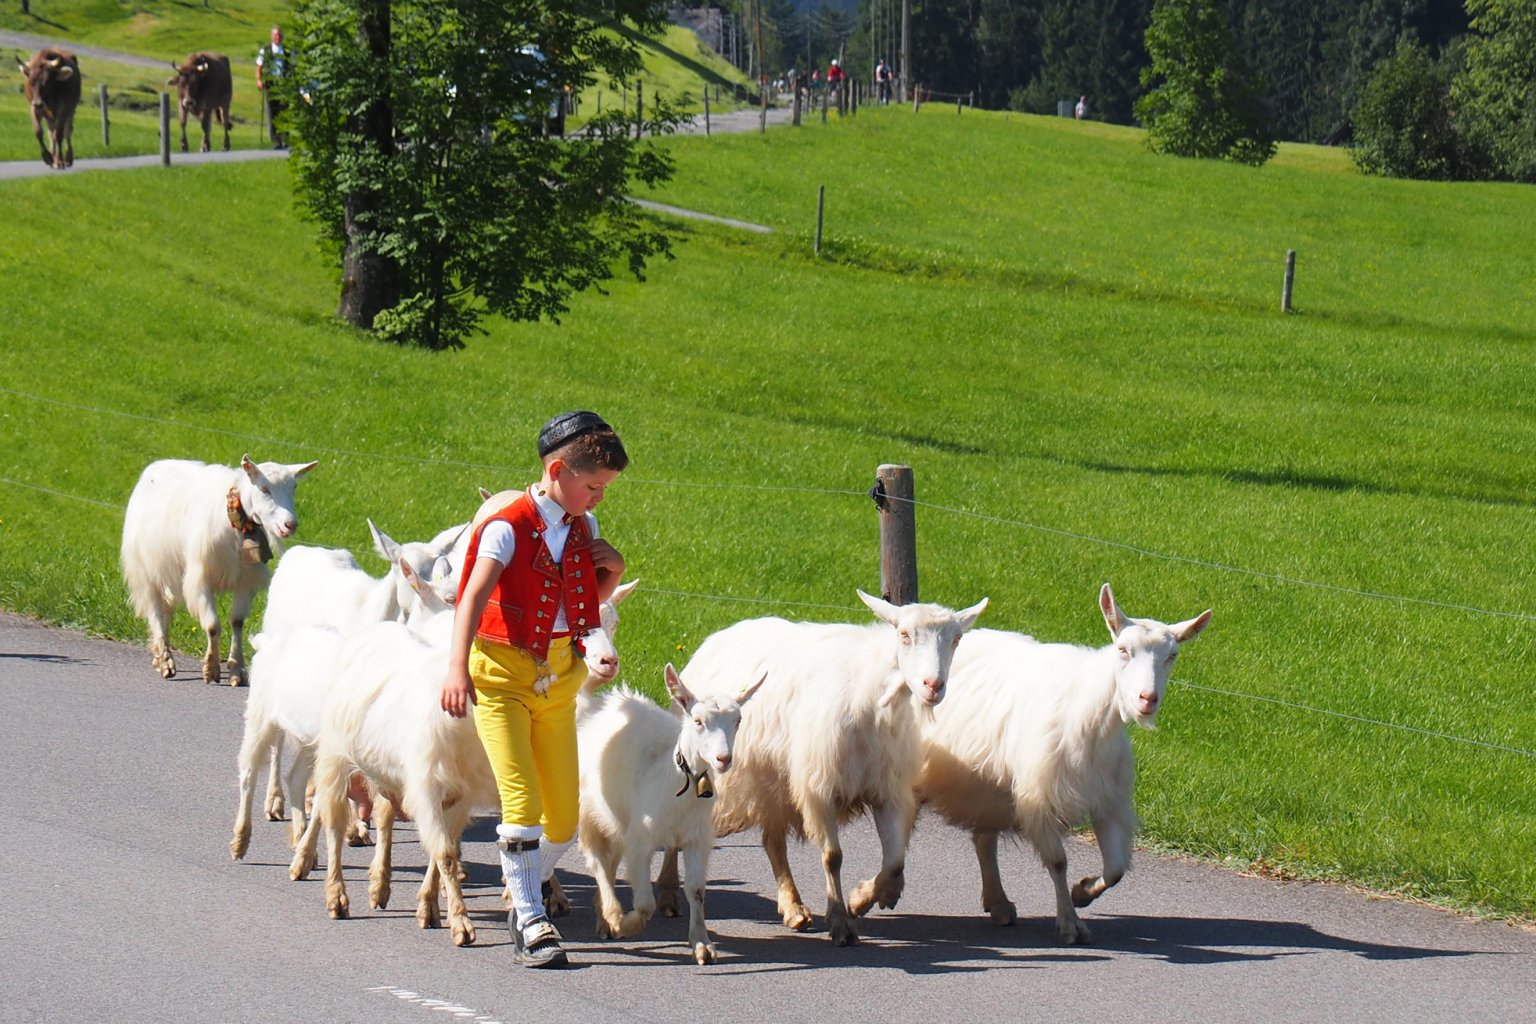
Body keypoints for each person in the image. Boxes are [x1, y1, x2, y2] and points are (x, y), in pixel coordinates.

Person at [441, 410, 628, 969]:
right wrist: (456, 668)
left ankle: (523, 880)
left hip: (558, 682)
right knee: (520, 801)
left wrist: (611, 575)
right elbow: (471, 598)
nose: (598, 499)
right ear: (557, 470)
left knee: (565, 819)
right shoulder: (505, 526)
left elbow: (580, 605)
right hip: (500, 677)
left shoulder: (583, 530)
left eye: (604, 489)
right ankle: (529, 916)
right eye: (593, 487)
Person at [255, 25, 288, 148]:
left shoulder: (287, 51)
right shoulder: (266, 50)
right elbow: (259, 67)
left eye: (279, 35)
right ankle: (276, 140)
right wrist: (259, 80)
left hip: (284, 83)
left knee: (285, 111)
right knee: (272, 111)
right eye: (275, 35)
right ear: (272, 37)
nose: (277, 38)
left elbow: (292, 66)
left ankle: (286, 138)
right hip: (271, 83)